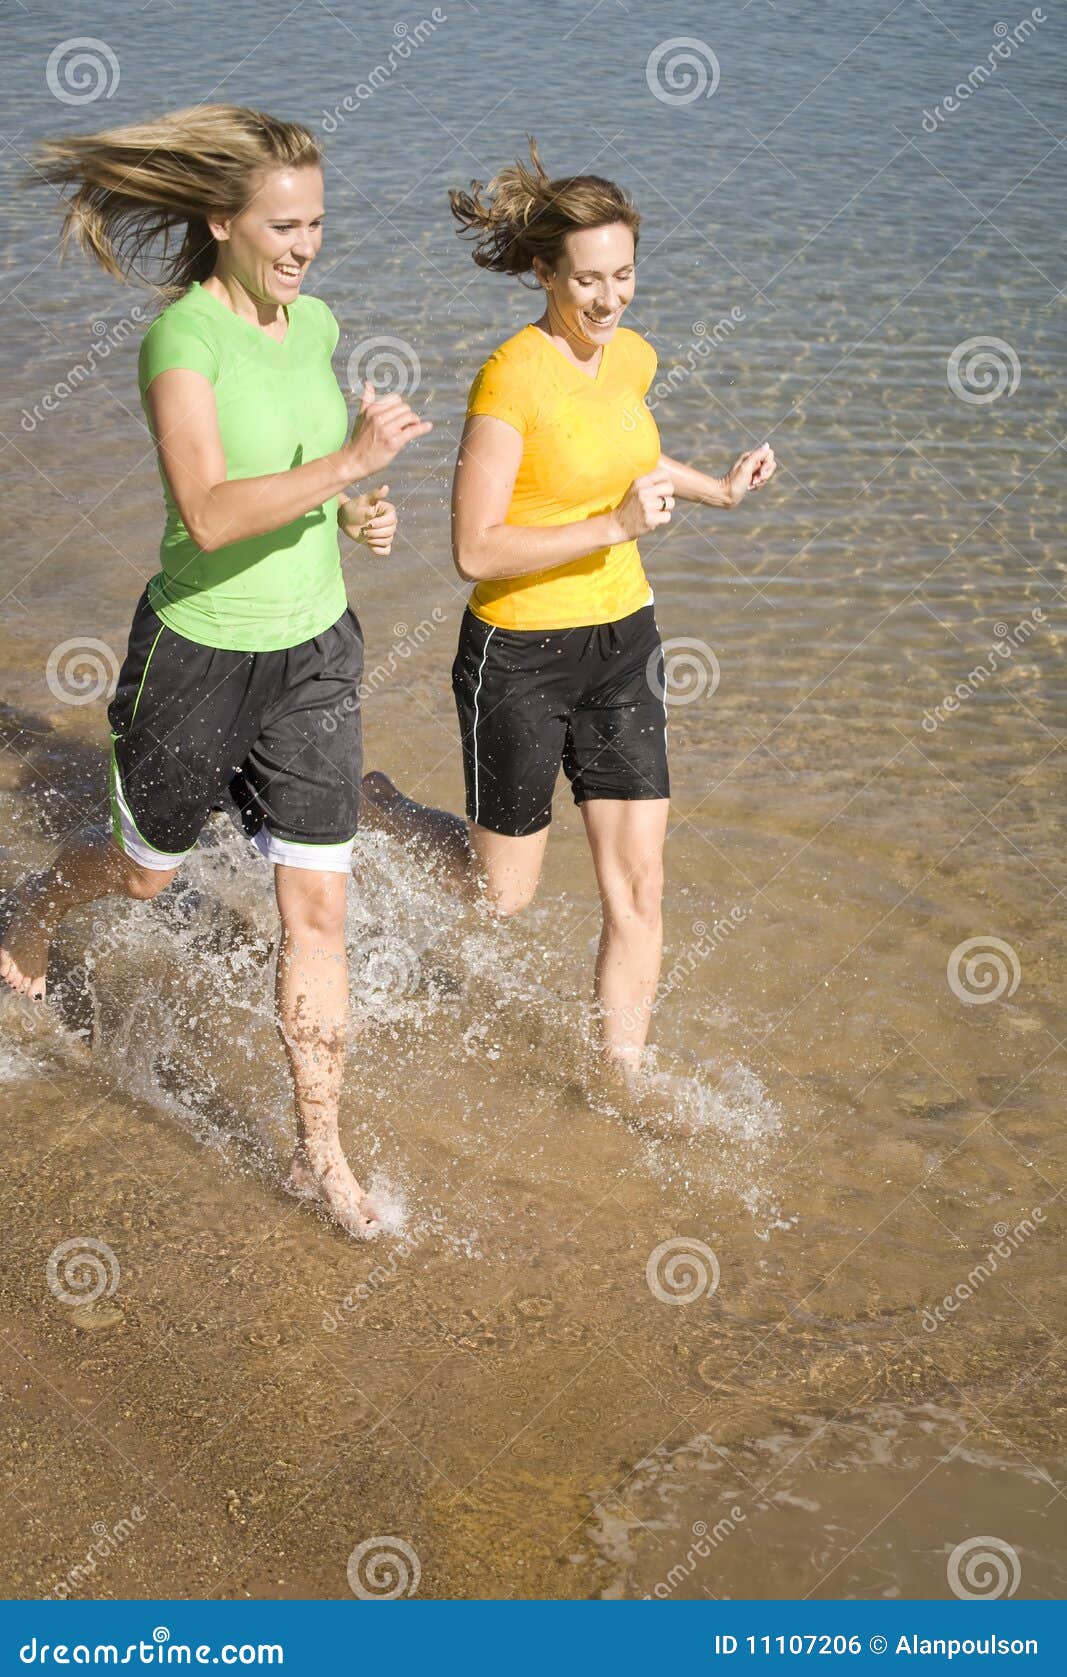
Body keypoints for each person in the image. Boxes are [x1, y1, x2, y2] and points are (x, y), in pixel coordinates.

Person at [0, 104, 432, 1239]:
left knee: (318, 911)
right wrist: (347, 460)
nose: (305, 246)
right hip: (197, 658)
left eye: (318, 224)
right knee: (146, 876)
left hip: (315, 655)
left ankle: (318, 1156)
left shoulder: (318, 323)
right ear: (220, 221)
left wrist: (356, 508)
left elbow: (300, 480)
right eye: (283, 226)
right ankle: (39, 904)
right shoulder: (180, 342)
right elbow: (206, 508)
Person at [362, 139, 775, 1072]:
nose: (609, 298)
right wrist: (614, 524)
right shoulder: (509, 380)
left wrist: (715, 488)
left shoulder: (631, 356)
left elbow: (624, 458)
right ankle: (378, 804)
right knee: (499, 897)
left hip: (623, 642)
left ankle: (622, 1073)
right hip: (519, 658)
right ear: (544, 270)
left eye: (623, 274)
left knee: (639, 885)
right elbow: (474, 550)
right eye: (587, 280)